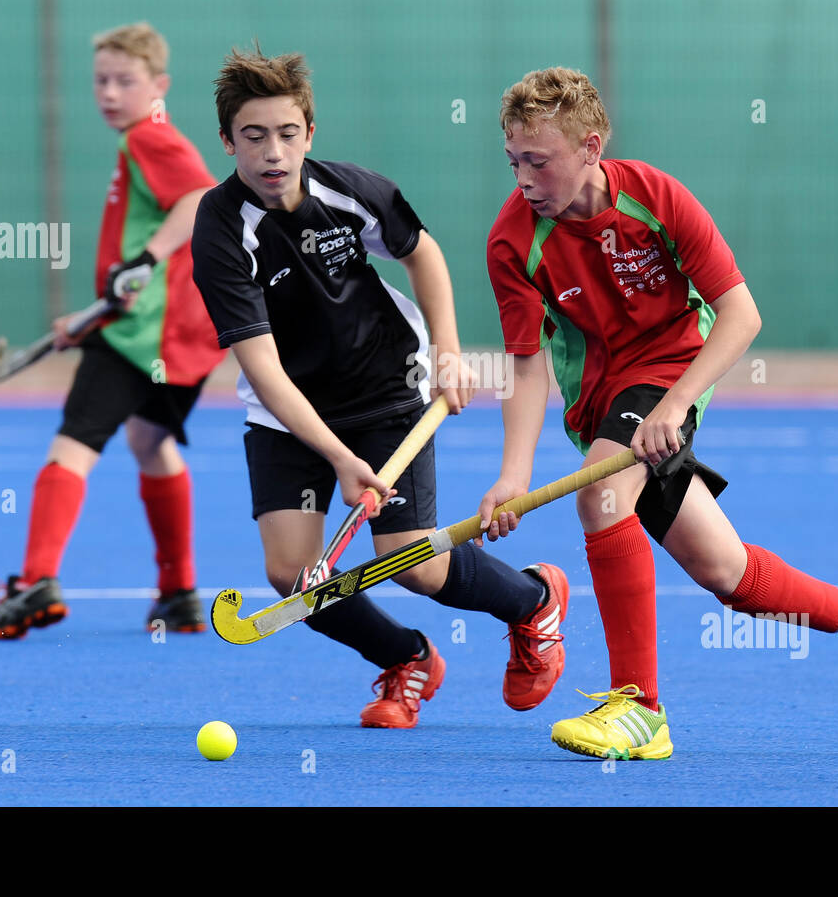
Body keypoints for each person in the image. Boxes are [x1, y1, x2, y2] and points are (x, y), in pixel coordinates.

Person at [478, 66, 838, 760]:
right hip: (599, 402)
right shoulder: (514, 241)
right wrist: (513, 474)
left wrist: (676, 402)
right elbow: (528, 361)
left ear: (591, 147)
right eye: (513, 161)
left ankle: (640, 710)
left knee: (602, 496)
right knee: (726, 573)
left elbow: (741, 314)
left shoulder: (657, 198)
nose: (524, 179)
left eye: (538, 160)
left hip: (668, 371)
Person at [190, 46, 567, 728]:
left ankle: (533, 599)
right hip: (291, 412)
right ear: (226, 142)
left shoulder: (348, 190)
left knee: (410, 564)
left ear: (310, 133)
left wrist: (448, 353)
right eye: (253, 137)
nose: (272, 152)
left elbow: (421, 251)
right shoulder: (221, 231)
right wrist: (338, 457)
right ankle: (407, 656)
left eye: (287, 133)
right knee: (292, 578)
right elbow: (264, 370)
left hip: (390, 388)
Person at [0, 22, 223, 638]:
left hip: (147, 337)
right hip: (177, 336)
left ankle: (36, 580)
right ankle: (179, 592)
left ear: (158, 86)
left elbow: (199, 197)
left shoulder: (150, 138)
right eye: (101, 81)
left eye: (125, 81)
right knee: (149, 443)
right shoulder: (139, 142)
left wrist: (141, 264)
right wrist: (93, 314)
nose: (110, 93)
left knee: (73, 444)